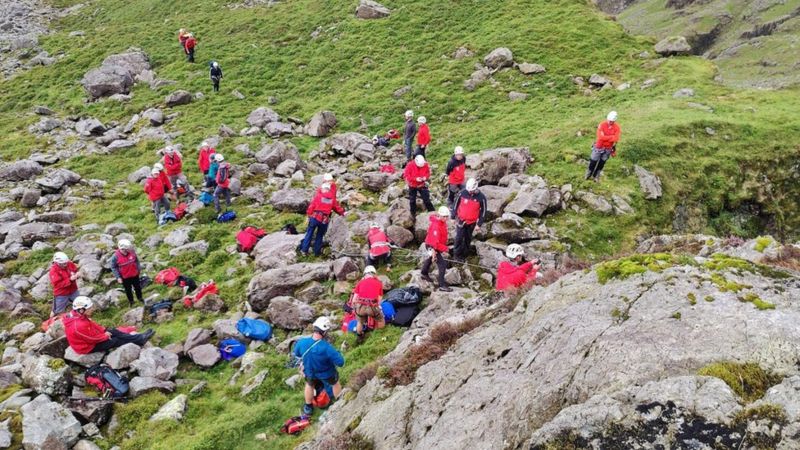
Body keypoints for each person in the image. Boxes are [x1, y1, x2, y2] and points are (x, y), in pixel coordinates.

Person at [63, 297, 154, 354]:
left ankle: (139, 338)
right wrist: (104, 336)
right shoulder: (78, 325)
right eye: (89, 308)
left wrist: (104, 330)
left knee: (113, 331)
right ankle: (139, 340)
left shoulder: (79, 316)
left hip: (90, 339)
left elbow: (92, 324)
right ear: (81, 310)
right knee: (115, 340)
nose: (92, 309)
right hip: (86, 347)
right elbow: (91, 339)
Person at [293, 317, 344, 416]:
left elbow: (297, 354)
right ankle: (339, 401)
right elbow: (341, 362)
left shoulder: (301, 342)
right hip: (327, 373)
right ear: (324, 332)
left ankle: (308, 407)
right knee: (335, 383)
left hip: (309, 372)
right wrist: (337, 352)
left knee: (309, 385)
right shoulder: (327, 348)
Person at [300, 183, 345, 257]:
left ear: (323, 189)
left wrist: (308, 215)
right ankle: (317, 252)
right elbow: (337, 208)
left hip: (315, 217)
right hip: (324, 220)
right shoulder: (332, 199)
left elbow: (312, 206)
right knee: (320, 236)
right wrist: (343, 213)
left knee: (309, 233)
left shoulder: (318, 196)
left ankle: (304, 251)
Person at [451, 178, 487, 261]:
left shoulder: (482, 198)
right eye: (469, 190)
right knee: (458, 238)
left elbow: (483, 212)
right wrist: (453, 217)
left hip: (472, 223)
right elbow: (455, 204)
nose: (470, 192)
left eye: (472, 191)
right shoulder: (462, 193)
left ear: (475, 188)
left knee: (467, 239)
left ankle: (464, 256)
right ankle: (456, 255)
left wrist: (479, 224)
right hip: (461, 220)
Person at [421, 206, 452, 292]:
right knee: (442, 264)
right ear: (439, 215)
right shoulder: (436, 225)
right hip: (432, 246)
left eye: (446, 216)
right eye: (444, 216)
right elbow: (434, 242)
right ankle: (442, 285)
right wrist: (445, 249)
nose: (445, 218)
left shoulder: (441, 222)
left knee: (430, 258)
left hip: (434, 245)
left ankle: (424, 273)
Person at [351, 266, 385, 341]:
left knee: (360, 322)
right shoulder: (378, 283)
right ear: (374, 274)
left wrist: (355, 308)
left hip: (360, 306)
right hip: (372, 306)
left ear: (365, 274)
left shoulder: (360, 283)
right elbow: (379, 299)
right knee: (380, 320)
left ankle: (359, 337)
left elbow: (354, 300)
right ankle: (380, 335)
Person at [585, 111, 621, 182]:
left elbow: (616, 138)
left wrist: (606, 137)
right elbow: (600, 137)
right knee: (593, 161)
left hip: (608, 148)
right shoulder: (602, 125)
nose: (610, 122)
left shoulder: (617, 127)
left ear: (614, 120)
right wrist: (611, 137)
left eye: (612, 121)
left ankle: (596, 176)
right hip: (599, 146)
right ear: (607, 118)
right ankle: (588, 174)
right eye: (609, 120)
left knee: (602, 163)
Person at [110, 239, 143, 307]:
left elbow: (136, 260)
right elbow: (113, 267)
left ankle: (140, 298)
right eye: (128, 248)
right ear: (123, 248)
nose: (129, 249)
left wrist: (138, 269)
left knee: (138, 287)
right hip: (125, 277)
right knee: (128, 290)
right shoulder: (115, 257)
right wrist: (118, 277)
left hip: (135, 274)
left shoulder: (132, 252)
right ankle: (131, 302)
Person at [49, 252, 80, 316]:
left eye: (66, 263)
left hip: (73, 290)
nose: (65, 265)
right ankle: (54, 321)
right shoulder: (53, 271)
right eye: (63, 264)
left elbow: (75, 270)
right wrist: (70, 280)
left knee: (79, 304)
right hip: (61, 293)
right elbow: (57, 284)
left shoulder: (69, 264)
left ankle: (80, 318)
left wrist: (77, 274)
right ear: (57, 262)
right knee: (58, 311)